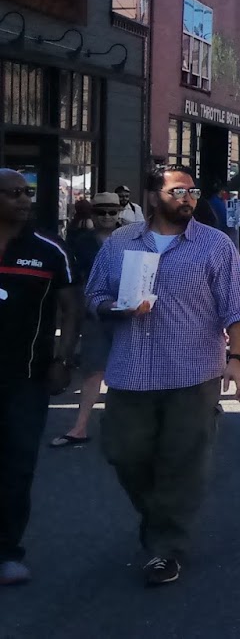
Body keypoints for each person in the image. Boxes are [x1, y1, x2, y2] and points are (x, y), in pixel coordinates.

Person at [84, 165, 240, 586]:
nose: (188, 198)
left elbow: (236, 308)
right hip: (130, 374)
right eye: (178, 191)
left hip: (193, 374)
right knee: (124, 454)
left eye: (193, 191)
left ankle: (165, 549)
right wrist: (115, 308)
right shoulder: (121, 243)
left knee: (183, 464)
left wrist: (236, 357)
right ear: (154, 195)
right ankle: (159, 520)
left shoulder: (215, 245)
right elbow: (94, 296)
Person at [0, 170, 76, 586]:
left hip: (25, 378)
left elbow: (70, 308)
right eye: (13, 194)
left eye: (27, 192)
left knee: (17, 465)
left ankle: (7, 551)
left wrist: (63, 358)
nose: (24, 200)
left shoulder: (49, 249)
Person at [52, 193, 122, 448]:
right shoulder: (80, 242)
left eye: (111, 212)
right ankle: (80, 426)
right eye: (101, 212)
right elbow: (72, 278)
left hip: (129, 313)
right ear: (92, 214)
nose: (106, 217)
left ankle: (120, 426)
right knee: (93, 370)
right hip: (94, 313)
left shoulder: (133, 239)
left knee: (125, 371)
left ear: (119, 214)